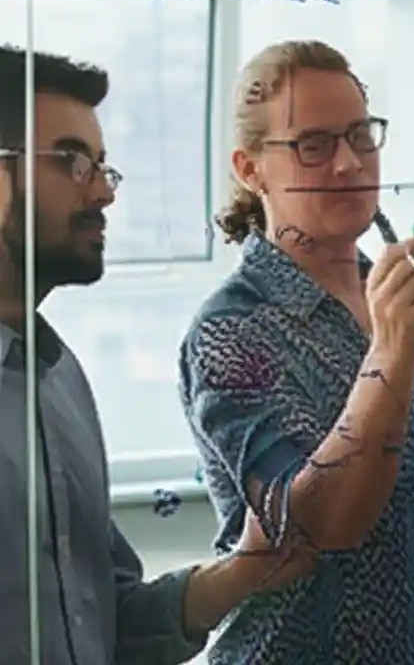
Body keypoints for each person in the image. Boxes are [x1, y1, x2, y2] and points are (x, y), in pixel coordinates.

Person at [0, 45, 314, 664]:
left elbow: (105, 620)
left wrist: (246, 569)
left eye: (101, 166)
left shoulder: (59, 383)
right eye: (72, 161)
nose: (104, 194)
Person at [176, 40, 414, 663]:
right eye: (313, 144)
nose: (347, 164)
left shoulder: (379, 294)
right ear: (250, 170)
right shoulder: (231, 331)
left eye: (361, 135)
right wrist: (389, 353)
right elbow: (315, 527)